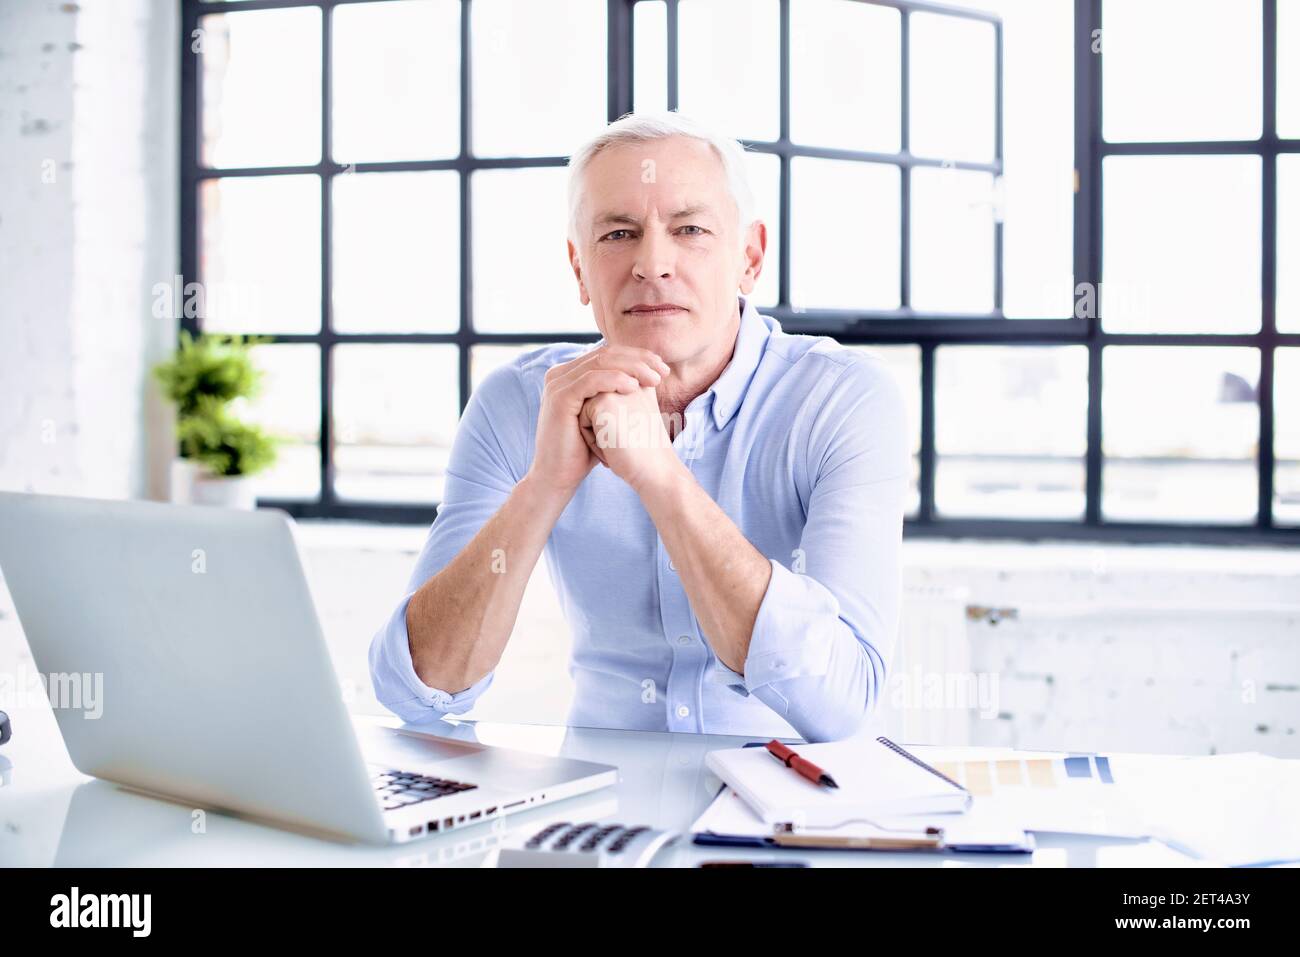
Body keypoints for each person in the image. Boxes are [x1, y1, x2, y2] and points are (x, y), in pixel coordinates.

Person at [369, 111, 909, 742]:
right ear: (579, 269)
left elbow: (842, 706)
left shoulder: (840, 399)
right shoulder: (517, 401)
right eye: (619, 234)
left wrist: (658, 474)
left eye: (690, 229)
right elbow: (418, 690)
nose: (652, 263)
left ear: (750, 257)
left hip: (790, 801)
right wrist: (545, 484)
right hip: (599, 798)